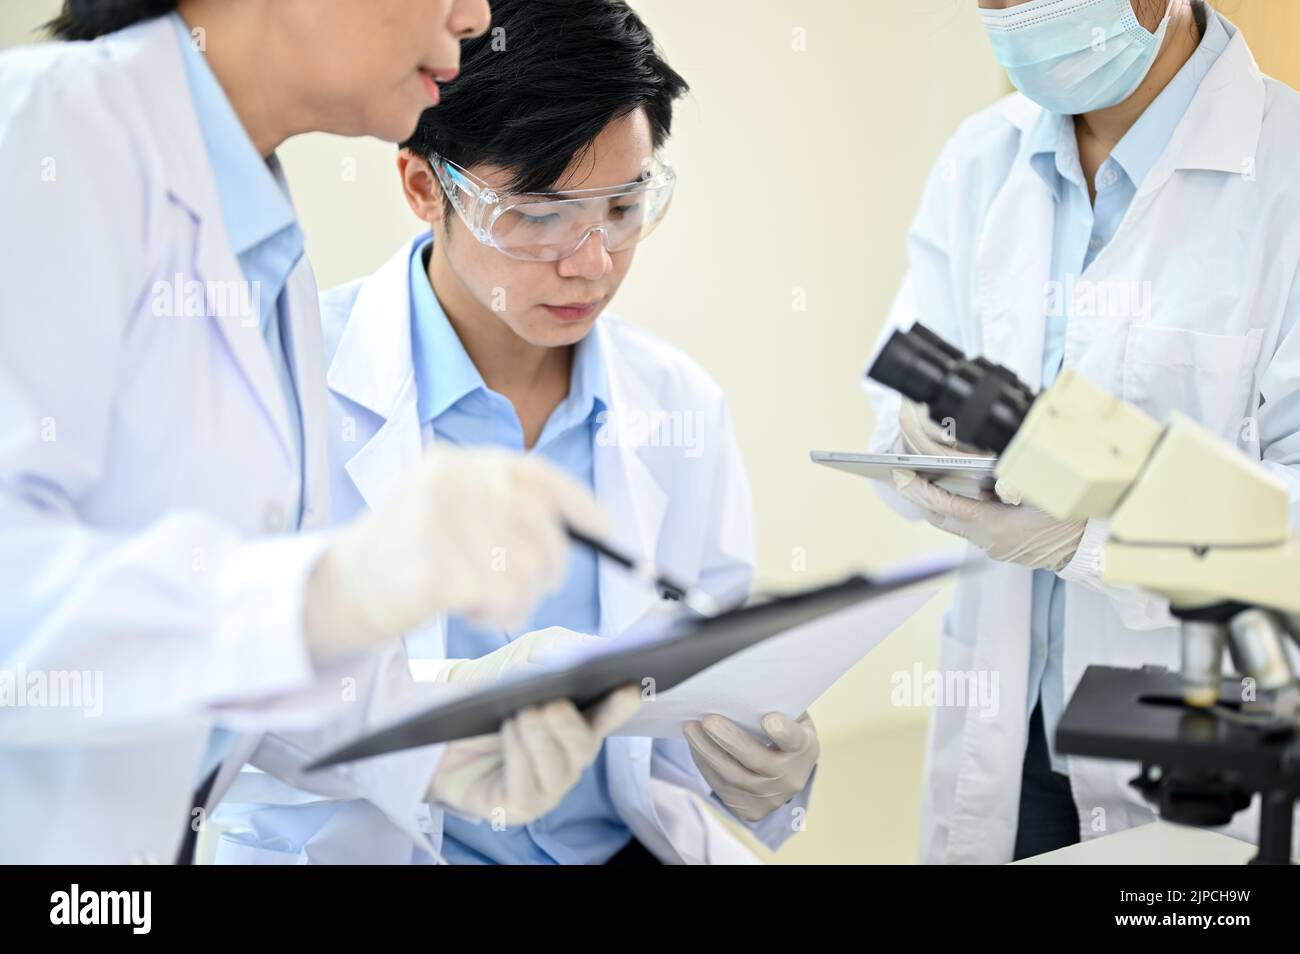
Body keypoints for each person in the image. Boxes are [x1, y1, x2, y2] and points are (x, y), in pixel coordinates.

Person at [0, 0, 637, 864]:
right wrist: (327, 591)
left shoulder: (255, 223)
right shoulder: (46, 131)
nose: (474, 11)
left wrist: (432, 741)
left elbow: (222, 667)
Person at [213, 0, 820, 865]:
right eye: (539, 212)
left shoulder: (678, 403)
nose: (592, 260)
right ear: (425, 185)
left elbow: (690, 690)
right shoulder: (285, 379)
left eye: (623, 205)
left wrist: (760, 760)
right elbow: (226, 701)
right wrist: (446, 713)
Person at [864, 0, 1300, 863]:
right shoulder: (980, 161)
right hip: (1008, 748)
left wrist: (1092, 538)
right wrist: (922, 436)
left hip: (1204, 756)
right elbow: (894, 414)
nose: (1011, 15)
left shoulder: (1286, 173)